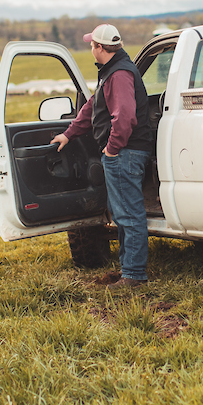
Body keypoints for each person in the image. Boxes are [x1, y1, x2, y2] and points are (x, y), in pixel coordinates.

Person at [52, 23, 154, 288]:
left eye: (92, 45)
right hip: (126, 151)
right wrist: (69, 133)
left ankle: (133, 276)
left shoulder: (119, 74)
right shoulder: (111, 72)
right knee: (124, 213)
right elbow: (92, 107)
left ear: (100, 47)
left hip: (125, 152)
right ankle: (129, 271)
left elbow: (125, 117)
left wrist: (111, 149)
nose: (90, 49)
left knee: (129, 215)